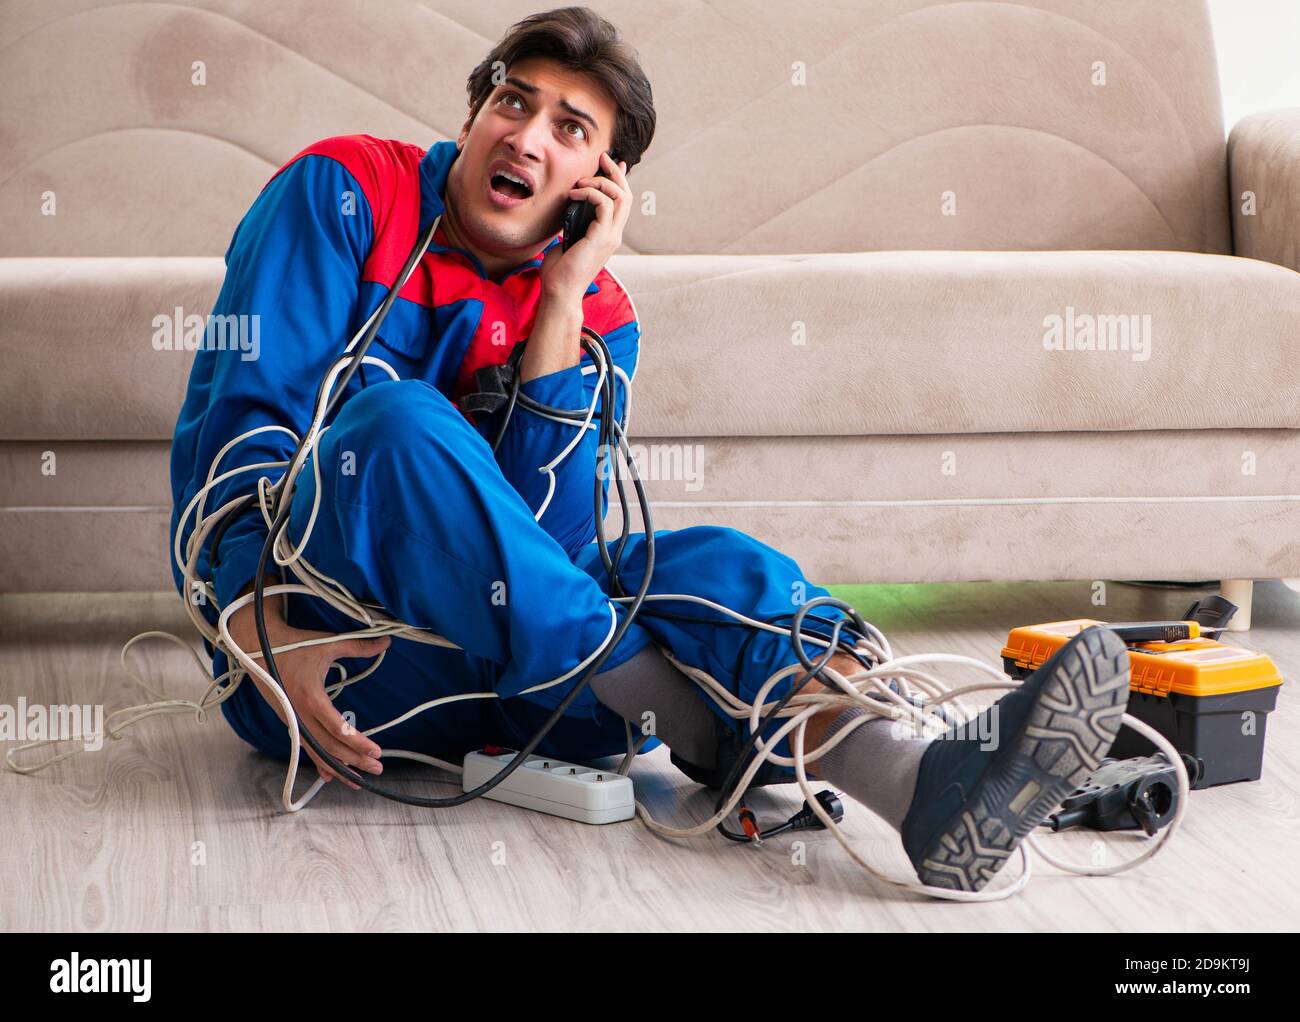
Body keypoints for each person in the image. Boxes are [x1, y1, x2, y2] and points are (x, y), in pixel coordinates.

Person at [168, 6, 1129, 893]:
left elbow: (558, 546)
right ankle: (726, 731)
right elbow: (239, 439)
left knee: (714, 565)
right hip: (322, 670)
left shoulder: (596, 314)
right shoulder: (339, 192)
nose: (527, 138)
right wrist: (255, 619)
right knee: (397, 425)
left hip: (522, 701)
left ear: (599, 186)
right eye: (512, 102)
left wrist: (558, 302)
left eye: (570, 131)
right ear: (471, 116)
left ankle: (919, 785)